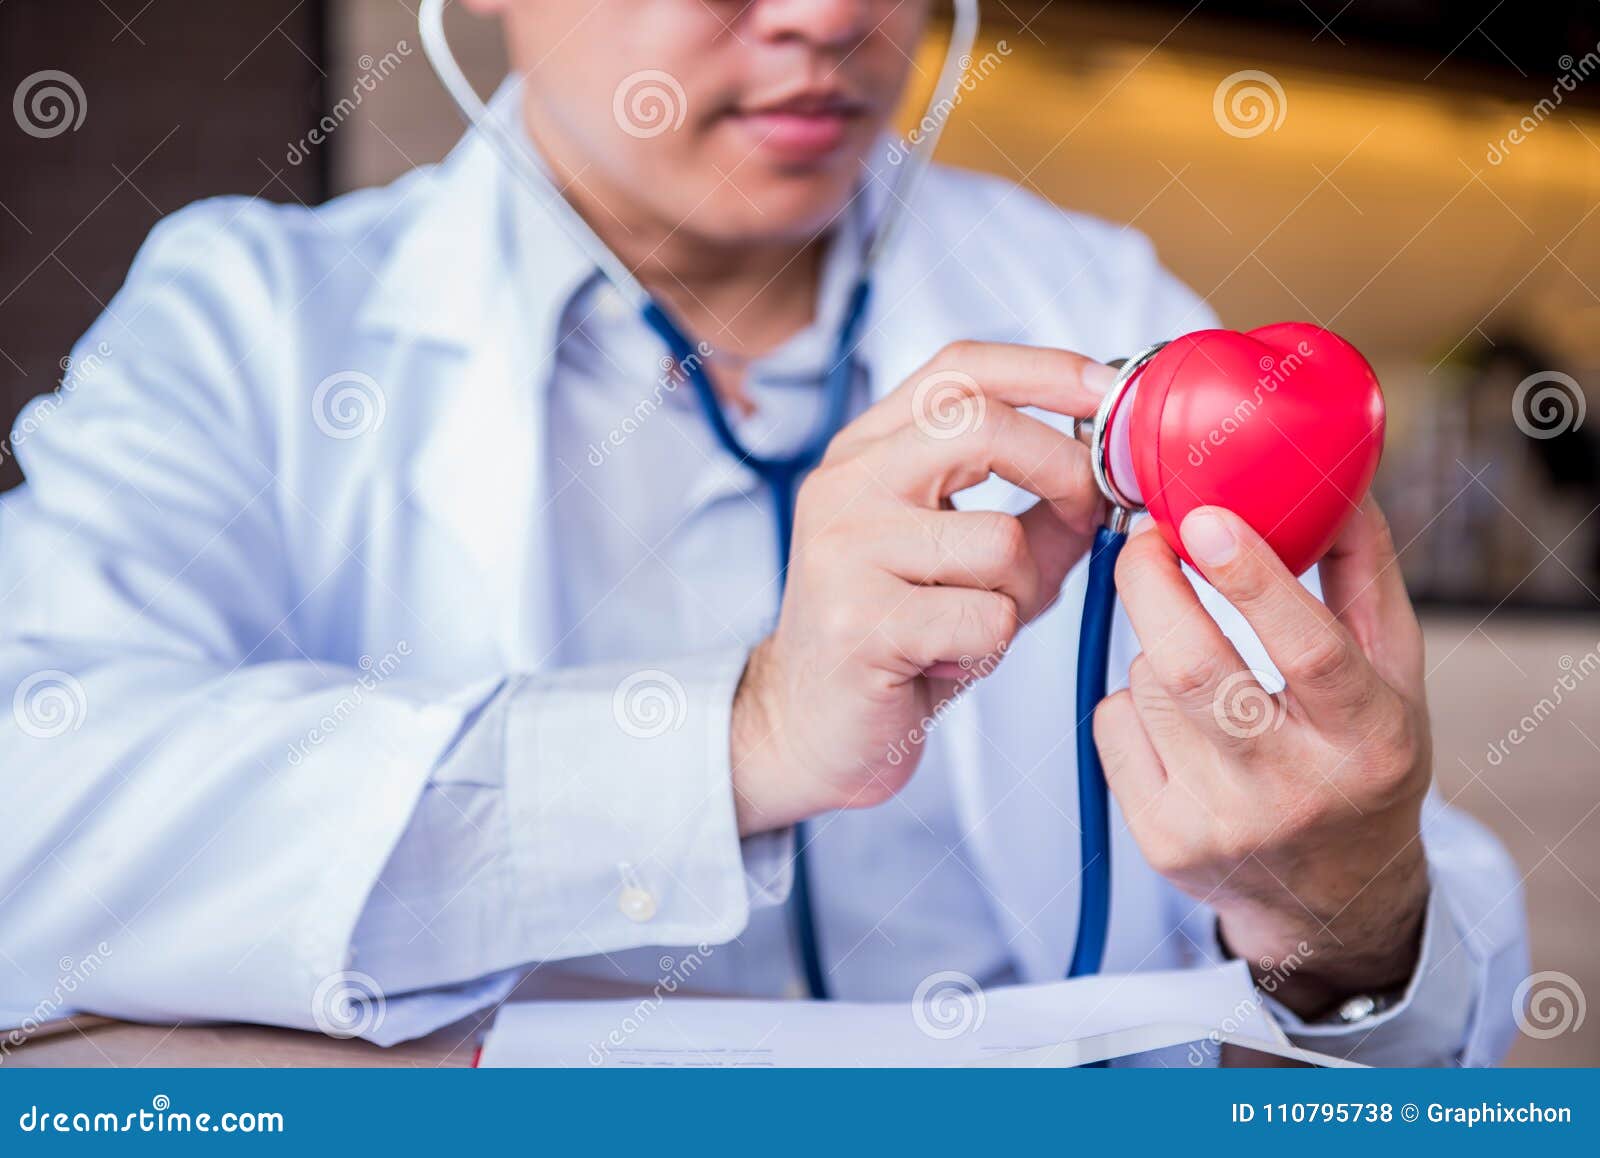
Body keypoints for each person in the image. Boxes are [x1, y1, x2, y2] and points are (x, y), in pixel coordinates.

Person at [0, 0, 1525, 1065]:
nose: (825, 14)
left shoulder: (1106, 316)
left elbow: (1419, 1018)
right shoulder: (253, 327)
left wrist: (1352, 916)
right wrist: (733, 738)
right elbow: (35, 812)